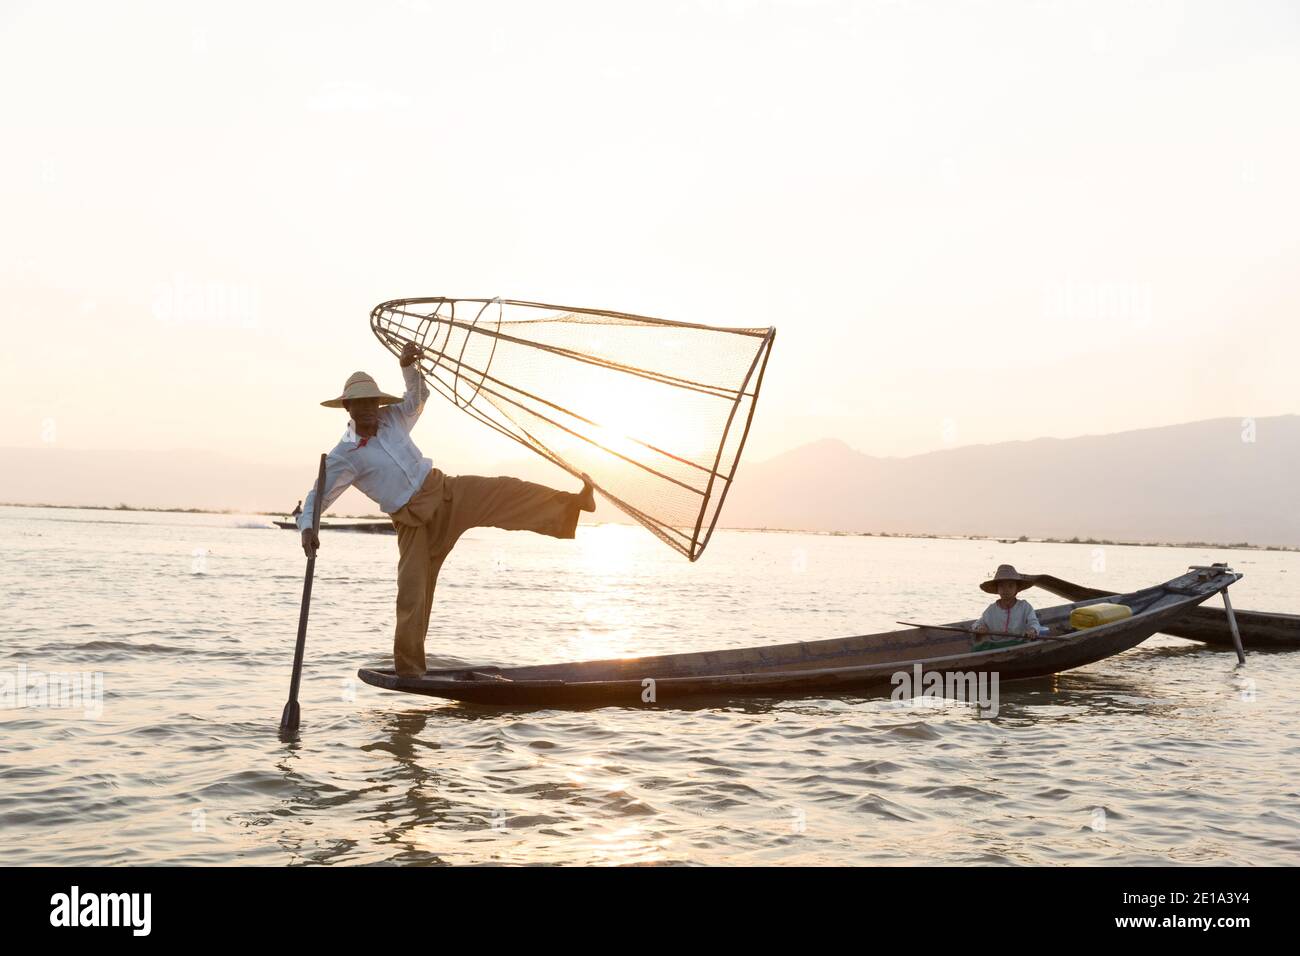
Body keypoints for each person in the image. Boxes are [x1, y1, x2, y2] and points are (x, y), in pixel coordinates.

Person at [296, 341, 595, 677]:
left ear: (377, 402)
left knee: (504, 490)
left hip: (444, 490)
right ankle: (410, 670)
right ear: (347, 408)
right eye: (360, 404)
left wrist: (408, 368)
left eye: (371, 401)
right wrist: (308, 527)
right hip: (414, 523)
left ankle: (574, 504)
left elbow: (418, 397)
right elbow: (318, 496)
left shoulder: (392, 417)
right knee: (412, 591)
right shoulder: (343, 454)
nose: (367, 409)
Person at [972, 564, 1041, 643]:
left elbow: (1034, 622)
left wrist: (1032, 630)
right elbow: (976, 624)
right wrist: (980, 628)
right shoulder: (991, 609)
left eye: (1010, 586)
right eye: (1001, 586)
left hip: (1019, 643)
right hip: (995, 645)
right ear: (997, 589)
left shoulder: (1024, 606)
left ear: (1017, 589)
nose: (1006, 590)